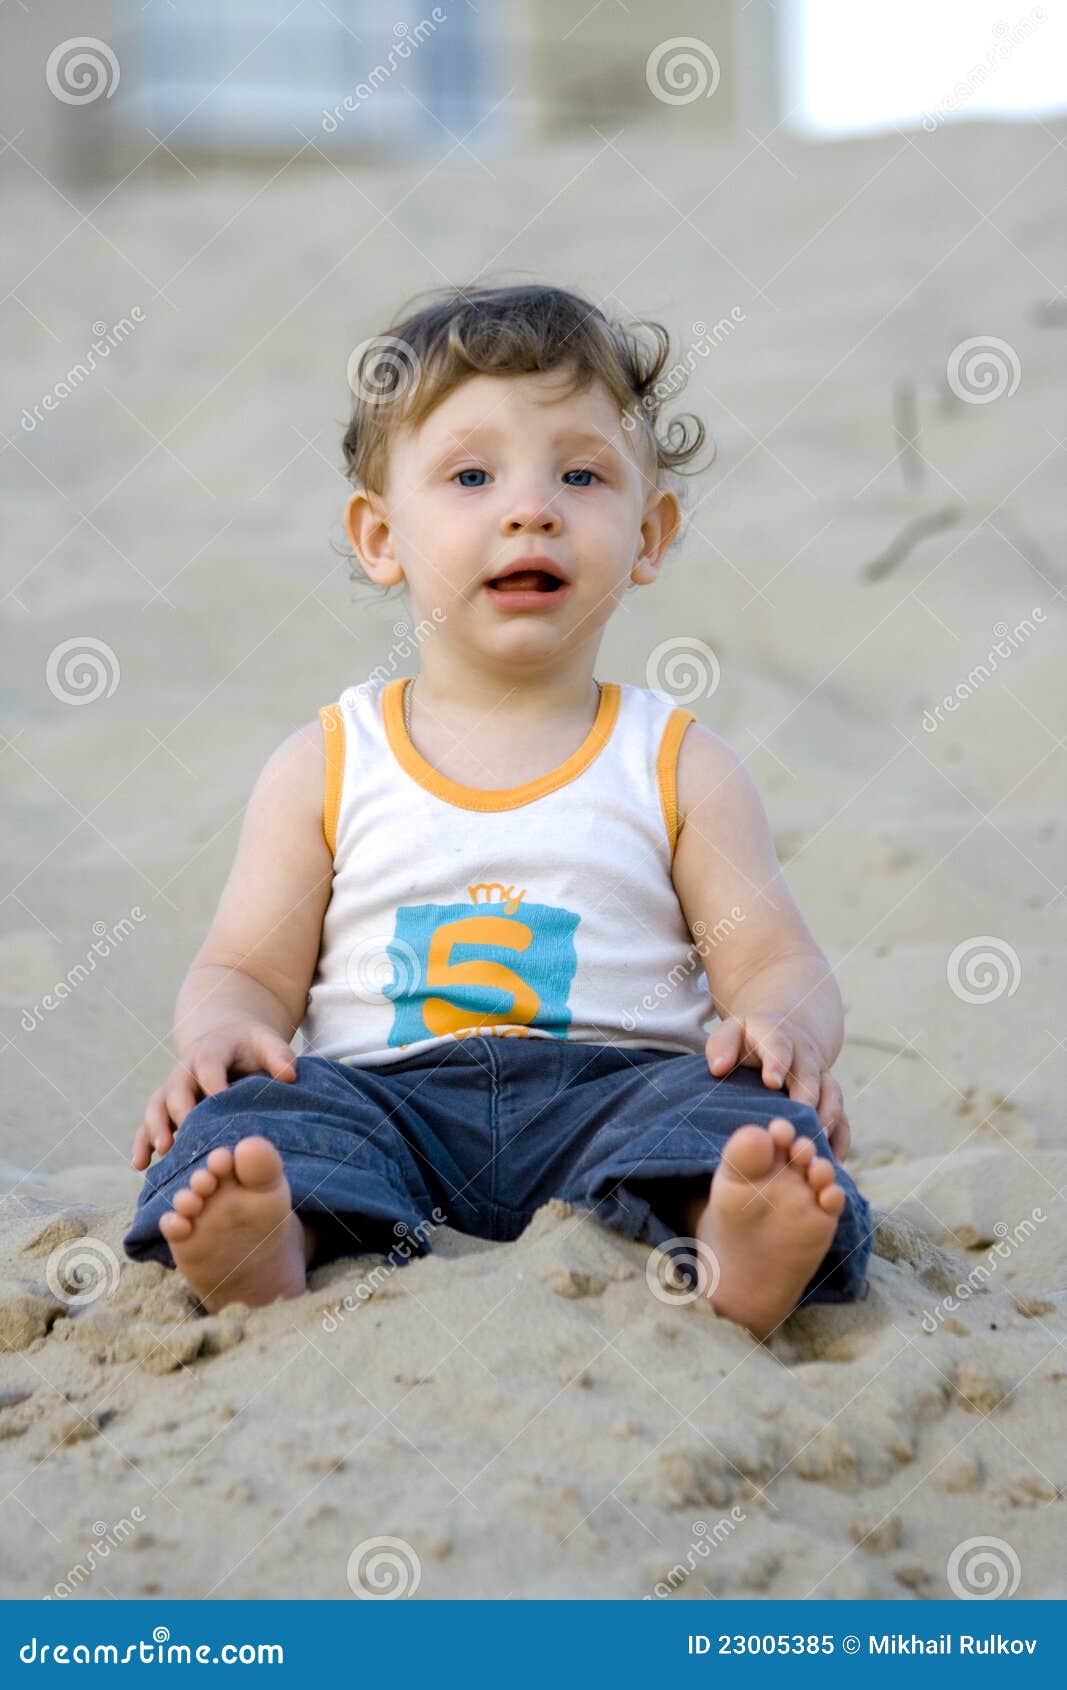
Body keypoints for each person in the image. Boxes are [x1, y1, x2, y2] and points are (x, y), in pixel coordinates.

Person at [124, 283, 872, 1342]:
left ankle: (727, 1233)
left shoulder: (677, 764)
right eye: (471, 475)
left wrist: (785, 1031)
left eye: (581, 473)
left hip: (615, 1099)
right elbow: (246, 968)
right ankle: (269, 1241)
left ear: (648, 535)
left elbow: (775, 966)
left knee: (745, 1116)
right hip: (386, 1101)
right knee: (249, 1119)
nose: (531, 508)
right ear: (380, 538)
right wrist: (222, 1034)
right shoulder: (326, 763)